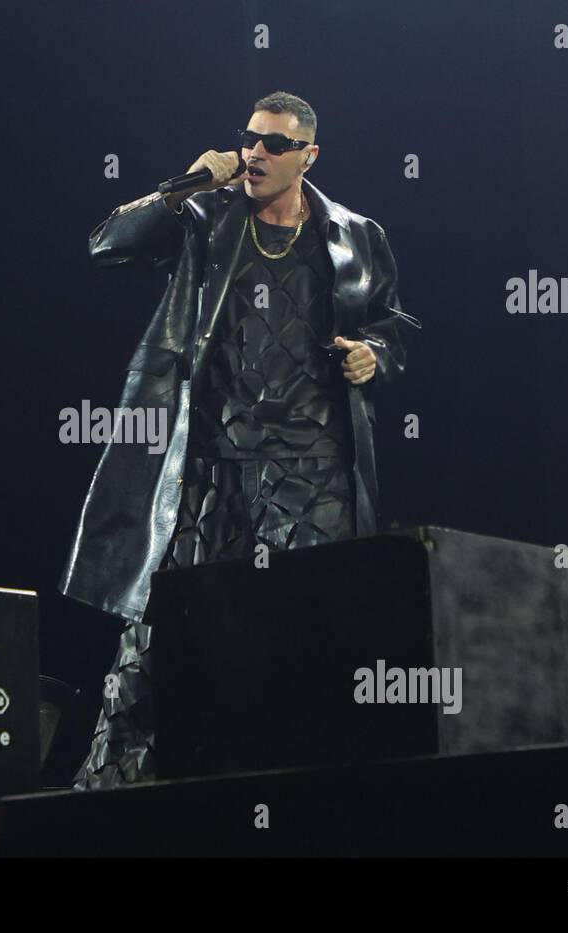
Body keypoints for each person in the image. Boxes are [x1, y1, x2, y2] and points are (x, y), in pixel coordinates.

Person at [60, 91, 419, 789]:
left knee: (316, 641)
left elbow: (394, 325)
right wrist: (187, 184)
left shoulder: (355, 234)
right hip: (209, 469)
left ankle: (311, 802)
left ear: (308, 156)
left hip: (312, 470)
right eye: (251, 139)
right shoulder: (205, 215)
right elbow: (107, 242)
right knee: (157, 641)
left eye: (276, 144)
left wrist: (376, 354)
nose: (257, 152)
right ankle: (106, 804)